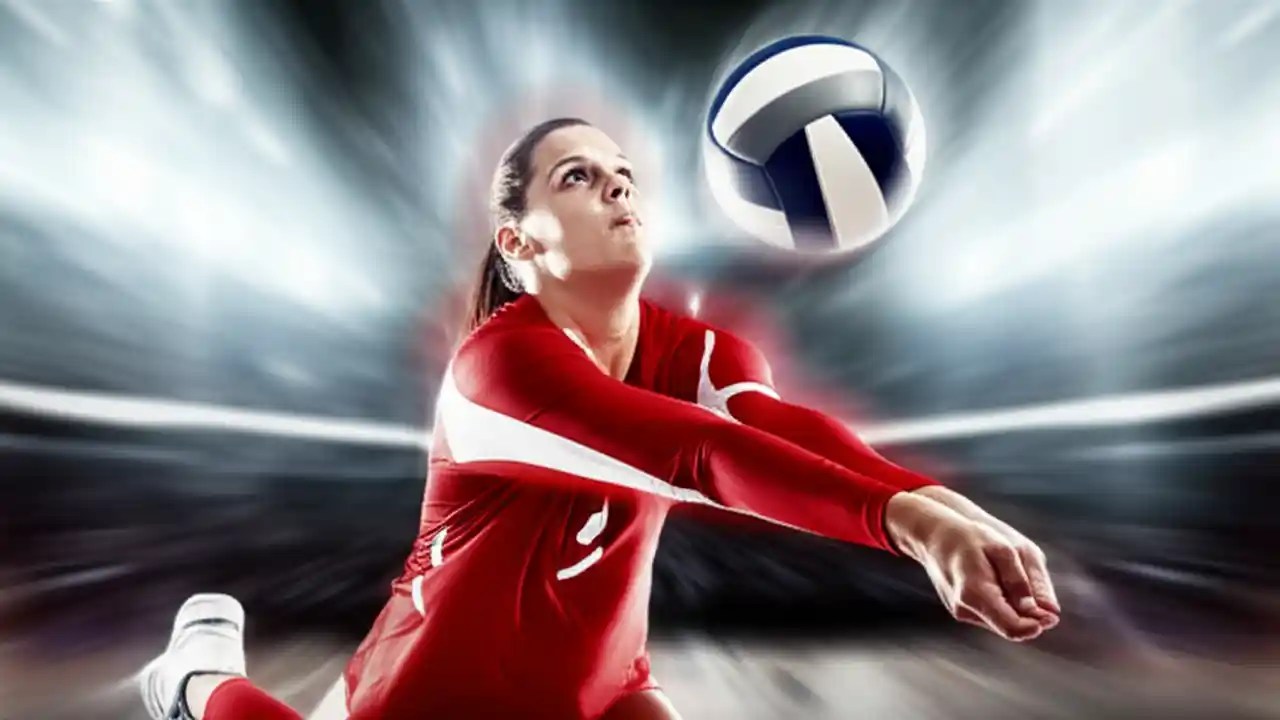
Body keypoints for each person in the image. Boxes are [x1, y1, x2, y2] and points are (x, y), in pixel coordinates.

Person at [138, 117, 1060, 720]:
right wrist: (914, 525)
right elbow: (698, 453)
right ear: (517, 241)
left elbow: (773, 430)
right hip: (430, 695)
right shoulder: (500, 366)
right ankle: (196, 675)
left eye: (624, 173)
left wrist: (943, 509)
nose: (619, 187)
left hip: (604, 692)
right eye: (579, 177)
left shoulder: (700, 353)